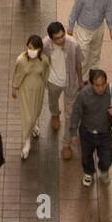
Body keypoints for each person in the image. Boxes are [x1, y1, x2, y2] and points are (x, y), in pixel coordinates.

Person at [69, 68, 112, 187]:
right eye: (97, 85)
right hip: (86, 132)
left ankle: (104, 170)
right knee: (86, 155)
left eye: (103, 84)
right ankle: (88, 172)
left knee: (107, 157)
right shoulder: (83, 95)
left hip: (104, 132)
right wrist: (73, 133)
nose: (101, 88)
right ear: (91, 83)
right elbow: (76, 113)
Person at [43, 21, 83, 161]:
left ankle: (66, 144)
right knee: (52, 101)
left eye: (62, 36)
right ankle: (54, 114)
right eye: (57, 38)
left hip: (71, 82)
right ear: (50, 38)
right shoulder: (45, 44)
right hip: (53, 82)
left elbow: (78, 63)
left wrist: (80, 80)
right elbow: (43, 62)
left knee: (70, 115)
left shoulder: (73, 45)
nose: (61, 40)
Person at [67, 0, 112, 78]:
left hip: (98, 27)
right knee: (83, 53)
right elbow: (74, 11)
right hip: (83, 28)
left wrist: (111, 29)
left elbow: (108, 11)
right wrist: (70, 28)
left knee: (95, 52)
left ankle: (94, 73)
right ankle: (82, 77)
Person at [12, 34, 50, 160]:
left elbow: (45, 74)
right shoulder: (21, 60)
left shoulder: (44, 60)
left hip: (38, 90)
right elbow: (17, 75)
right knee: (27, 116)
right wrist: (14, 88)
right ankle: (26, 140)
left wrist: (47, 86)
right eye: (29, 47)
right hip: (25, 91)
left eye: (34, 48)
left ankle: (33, 126)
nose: (31, 51)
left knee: (36, 112)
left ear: (39, 49)